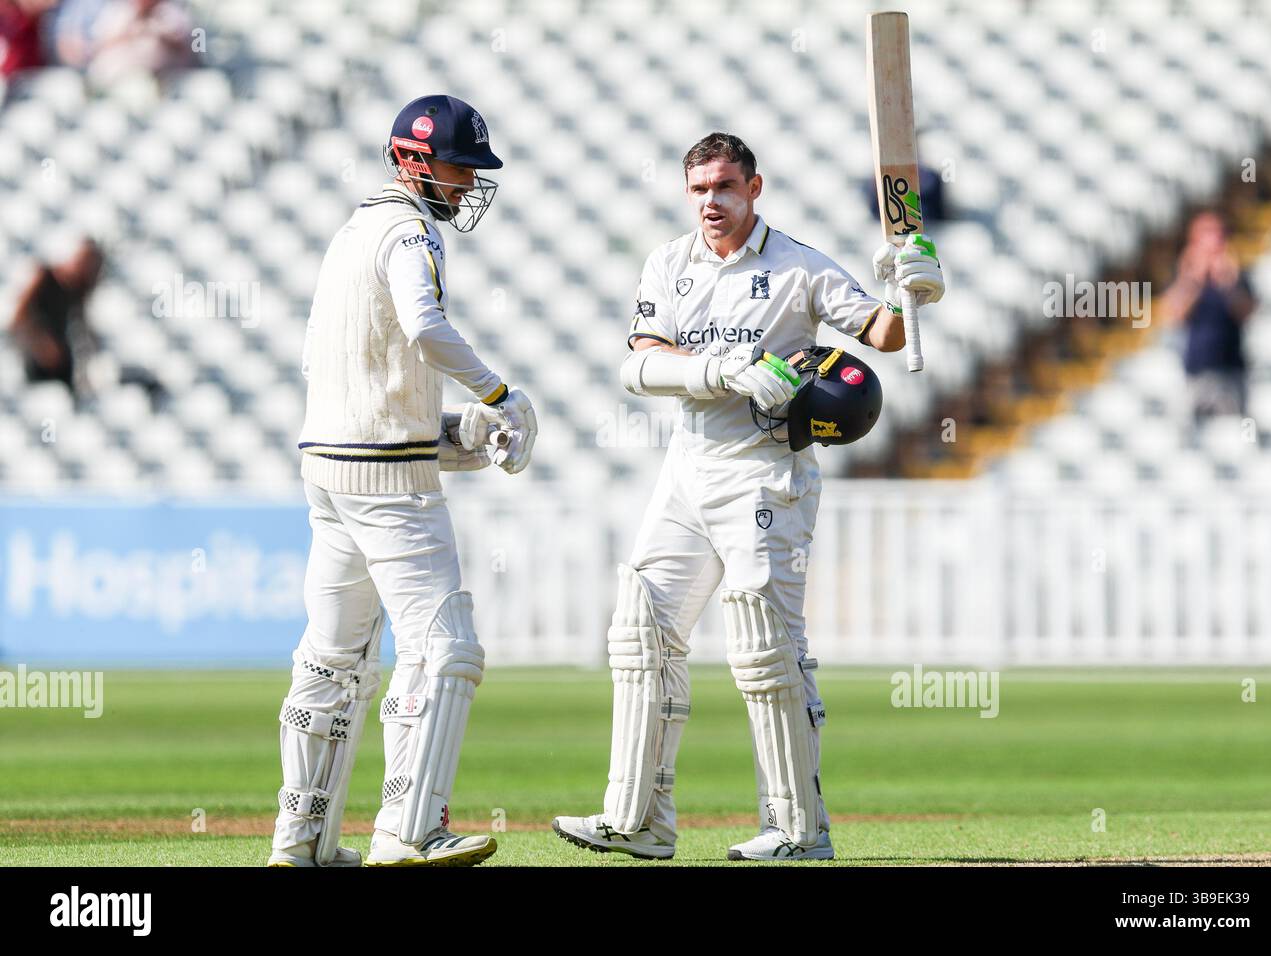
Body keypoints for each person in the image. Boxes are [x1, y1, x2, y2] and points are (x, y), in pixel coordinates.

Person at [552, 132, 943, 861]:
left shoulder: (797, 266)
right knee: (640, 633)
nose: (712, 202)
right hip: (687, 469)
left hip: (766, 473)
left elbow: (883, 334)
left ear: (753, 189)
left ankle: (798, 830)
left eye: (725, 187)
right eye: (699, 190)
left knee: (764, 650)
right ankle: (638, 819)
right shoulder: (668, 263)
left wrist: (912, 288)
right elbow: (639, 364)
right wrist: (726, 368)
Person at [267, 94, 538, 868]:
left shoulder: (351, 232)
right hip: (387, 484)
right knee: (444, 647)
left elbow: (363, 376)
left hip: (331, 470)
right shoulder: (410, 230)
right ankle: (409, 830)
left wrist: (450, 436)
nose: (468, 185)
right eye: (459, 168)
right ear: (416, 162)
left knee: (331, 658)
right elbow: (423, 327)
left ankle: (303, 840)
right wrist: (498, 395)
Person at [1163, 210, 1256, 424]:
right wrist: (1194, 279)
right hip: (1195, 371)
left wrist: (1227, 282)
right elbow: (1174, 315)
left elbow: (1247, 313)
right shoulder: (1184, 274)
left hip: (1231, 372)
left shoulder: (1237, 274)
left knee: (1234, 431)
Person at [10, 238, 103, 391]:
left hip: (59, 355)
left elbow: (83, 326)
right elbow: (19, 316)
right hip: (33, 351)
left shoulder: (76, 291)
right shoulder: (44, 276)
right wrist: (41, 343)